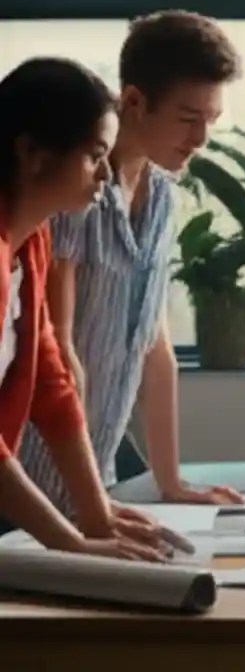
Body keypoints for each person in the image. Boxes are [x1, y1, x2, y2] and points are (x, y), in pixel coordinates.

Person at [20, 10, 245, 510]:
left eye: (210, 121)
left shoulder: (163, 198)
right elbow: (59, 350)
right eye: (188, 119)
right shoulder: (73, 191)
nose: (200, 139)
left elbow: (155, 351)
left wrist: (171, 484)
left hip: (94, 476)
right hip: (34, 476)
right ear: (135, 102)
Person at [0, 57, 167, 560]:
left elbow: (52, 387)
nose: (103, 174)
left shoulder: (32, 241)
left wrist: (98, 516)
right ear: (32, 152)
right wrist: (70, 543)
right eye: (95, 155)